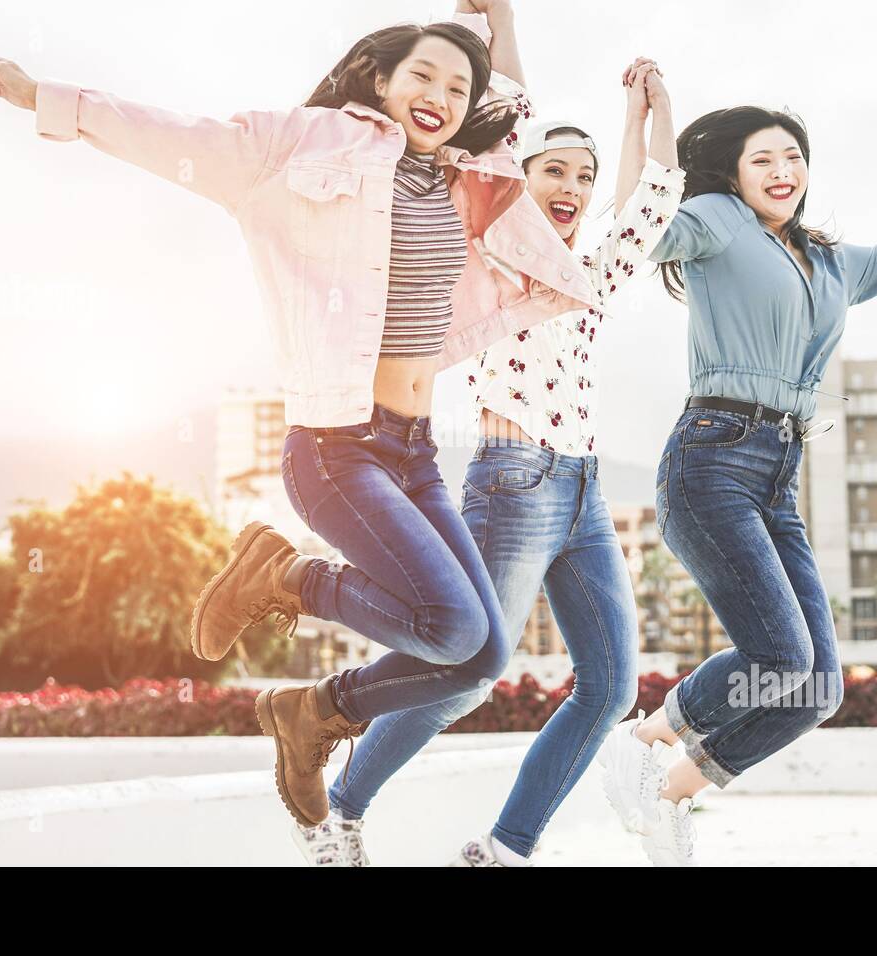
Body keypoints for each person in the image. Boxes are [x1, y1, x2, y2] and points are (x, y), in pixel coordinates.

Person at [0, 16, 595, 829]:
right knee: (454, 626)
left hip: (414, 452)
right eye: (421, 78)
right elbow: (177, 136)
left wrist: (493, 17)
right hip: (336, 450)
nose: (439, 98)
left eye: (456, 89)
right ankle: (288, 579)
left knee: (484, 653)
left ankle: (312, 713)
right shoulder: (306, 146)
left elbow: (509, 90)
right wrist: (45, 96)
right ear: (379, 80)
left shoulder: (469, 170)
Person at [293, 0, 684, 867]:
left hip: (584, 490)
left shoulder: (589, 274)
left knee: (612, 686)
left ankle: (504, 851)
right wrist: (501, 18)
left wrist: (645, 109)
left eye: (583, 176)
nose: (572, 189)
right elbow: (502, 110)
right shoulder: (494, 243)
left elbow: (653, 194)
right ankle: (339, 810)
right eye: (554, 171)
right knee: (464, 675)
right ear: (520, 177)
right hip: (512, 480)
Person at [598, 94, 877, 865]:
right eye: (762, 157)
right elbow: (639, 224)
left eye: (792, 156)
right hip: (711, 459)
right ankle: (640, 739)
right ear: (732, 173)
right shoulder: (717, 223)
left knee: (814, 689)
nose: (782, 170)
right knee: (780, 661)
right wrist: (644, 123)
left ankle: (665, 795)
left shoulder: (830, 262)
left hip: (778, 475)